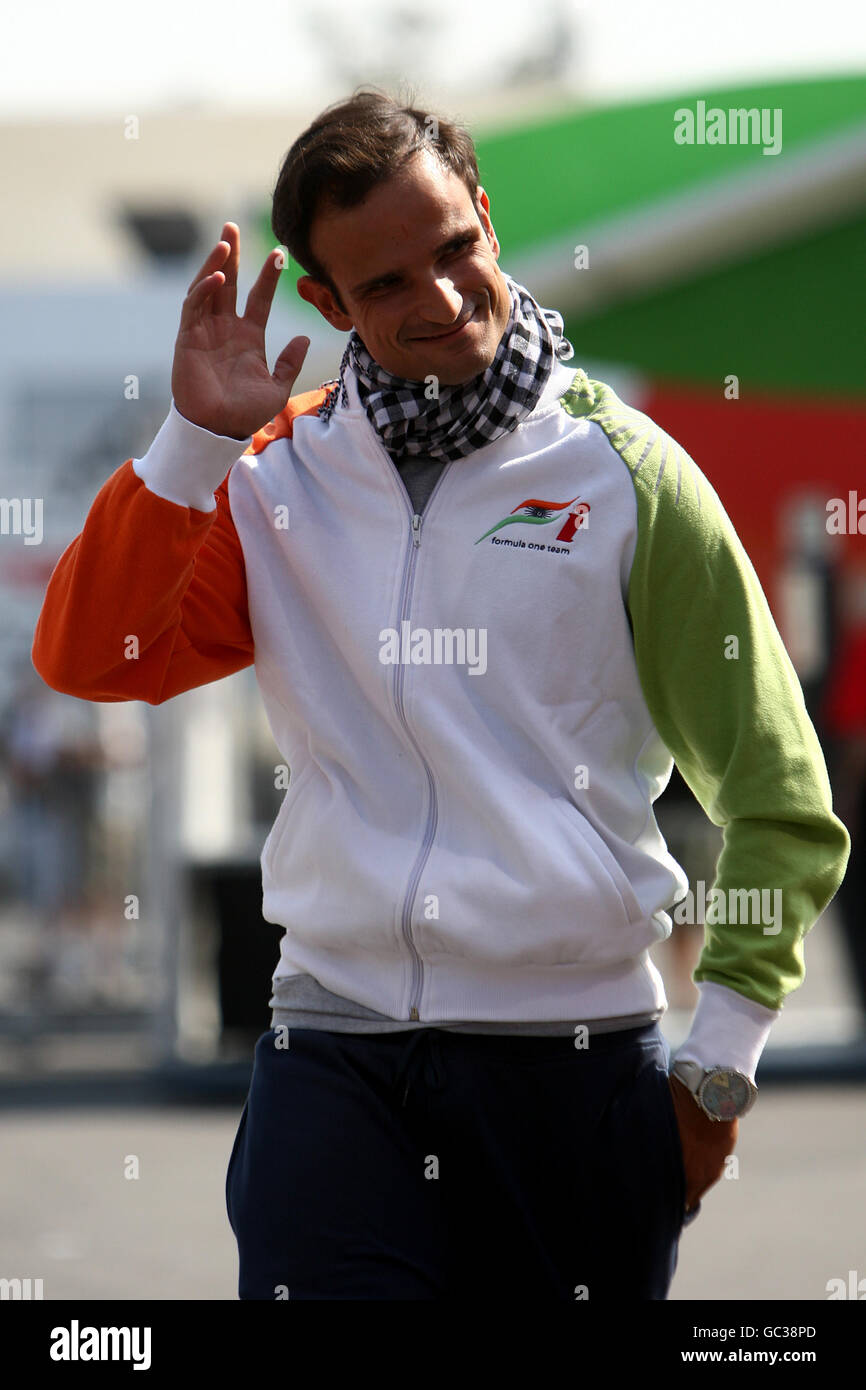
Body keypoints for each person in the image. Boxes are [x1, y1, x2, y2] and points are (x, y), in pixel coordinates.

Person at [31, 89, 849, 1301]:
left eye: (453, 249)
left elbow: (778, 799)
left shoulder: (629, 476)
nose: (439, 299)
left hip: (575, 1069)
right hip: (334, 1049)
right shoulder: (271, 475)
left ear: (488, 220)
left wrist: (715, 1069)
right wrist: (193, 444)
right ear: (327, 304)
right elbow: (97, 657)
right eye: (385, 285)